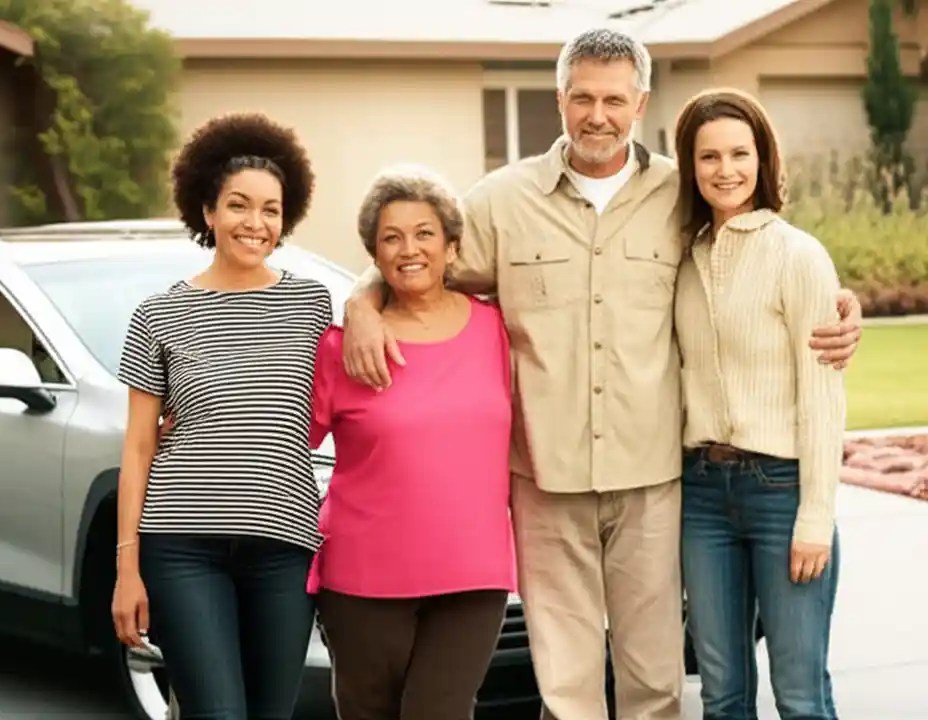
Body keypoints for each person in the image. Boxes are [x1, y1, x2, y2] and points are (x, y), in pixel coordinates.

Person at [339, 28, 864, 720]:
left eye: (614, 99)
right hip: (546, 483)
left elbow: (761, 253)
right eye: (582, 97)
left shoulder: (682, 196)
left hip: (654, 483)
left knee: (654, 685)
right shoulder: (501, 201)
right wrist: (362, 297)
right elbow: (417, 257)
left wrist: (837, 305)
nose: (597, 115)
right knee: (567, 687)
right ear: (560, 99)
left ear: (640, 102)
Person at [110, 112, 333, 720]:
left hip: (285, 548)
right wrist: (126, 570)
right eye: (238, 205)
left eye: (270, 209)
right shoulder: (157, 314)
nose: (255, 223)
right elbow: (137, 448)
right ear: (207, 210)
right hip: (182, 548)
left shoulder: (313, 303)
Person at [307, 165, 517, 720]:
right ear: (374, 256)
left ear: (452, 247)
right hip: (363, 574)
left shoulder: (498, 330)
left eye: (424, 233)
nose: (409, 249)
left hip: (473, 570)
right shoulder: (345, 347)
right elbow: (283, 437)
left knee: (440, 712)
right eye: (391, 237)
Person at [673, 88, 845, 720]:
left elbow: (822, 395)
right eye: (709, 156)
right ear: (690, 168)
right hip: (702, 496)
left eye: (740, 153)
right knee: (721, 696)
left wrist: (815, 516)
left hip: (782, 492)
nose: (726, 170)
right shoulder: (684, 260)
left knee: (799, 695)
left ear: (764, 159)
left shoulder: (798, 255)